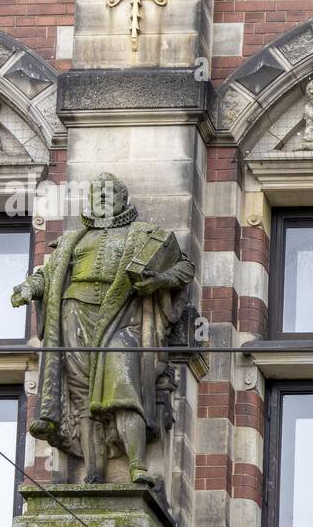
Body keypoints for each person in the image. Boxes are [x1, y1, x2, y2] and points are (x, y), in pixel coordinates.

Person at [11, 174, 194, 486]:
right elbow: (50, 276)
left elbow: (184, 267)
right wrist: (29, 287)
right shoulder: (73, 239)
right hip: (75, 314)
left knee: (124, 388)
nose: (103, 196)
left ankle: (137, 465)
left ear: (123, 199)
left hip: (123, 314)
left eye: (110, 192)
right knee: (82, 397)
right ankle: (94, 472)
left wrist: (160, 281)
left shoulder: (145, 234)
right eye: (97, 192)